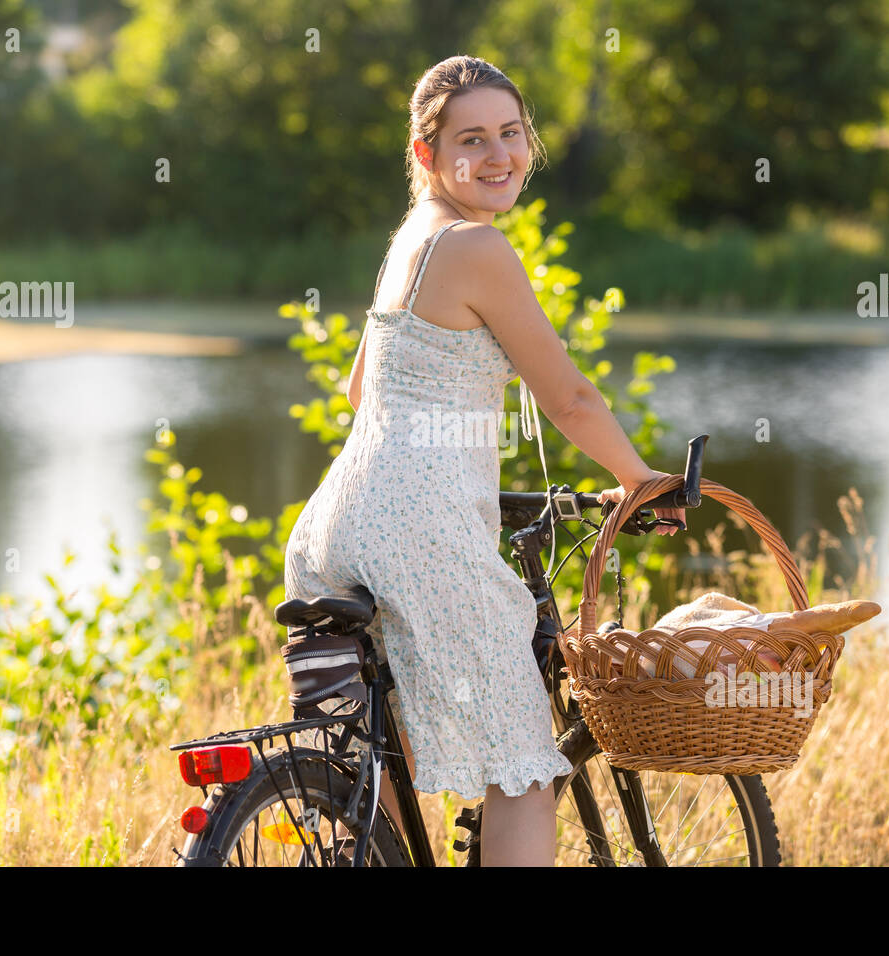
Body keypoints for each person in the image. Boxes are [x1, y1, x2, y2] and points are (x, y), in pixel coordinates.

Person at [283, 54, 684, 866]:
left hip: (332, 526)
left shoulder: (412, 239)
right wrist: (638, 480)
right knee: (525, 769)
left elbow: (361, 390)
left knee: (372, 766)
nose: (500, 155)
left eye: (512, 132)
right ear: (427, 154)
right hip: (417, 527)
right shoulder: (476, 246)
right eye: (473, 139)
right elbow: (569, 398)